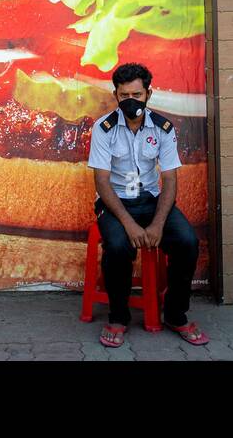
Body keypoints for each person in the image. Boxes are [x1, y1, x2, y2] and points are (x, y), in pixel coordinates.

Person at [86, 61, 207, 348]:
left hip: (151, 202)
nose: (131, 102)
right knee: (117, 246)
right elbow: (102, 182)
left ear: (148, 94)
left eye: (136, 96)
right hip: (114, 203)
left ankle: (176, 315)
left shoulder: (163, 128)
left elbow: (170, 180)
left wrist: (157, 224)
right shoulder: (104, 128)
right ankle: (118, 317)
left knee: (187, 241)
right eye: (124, 96)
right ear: (116, 95)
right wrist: (129, 225)